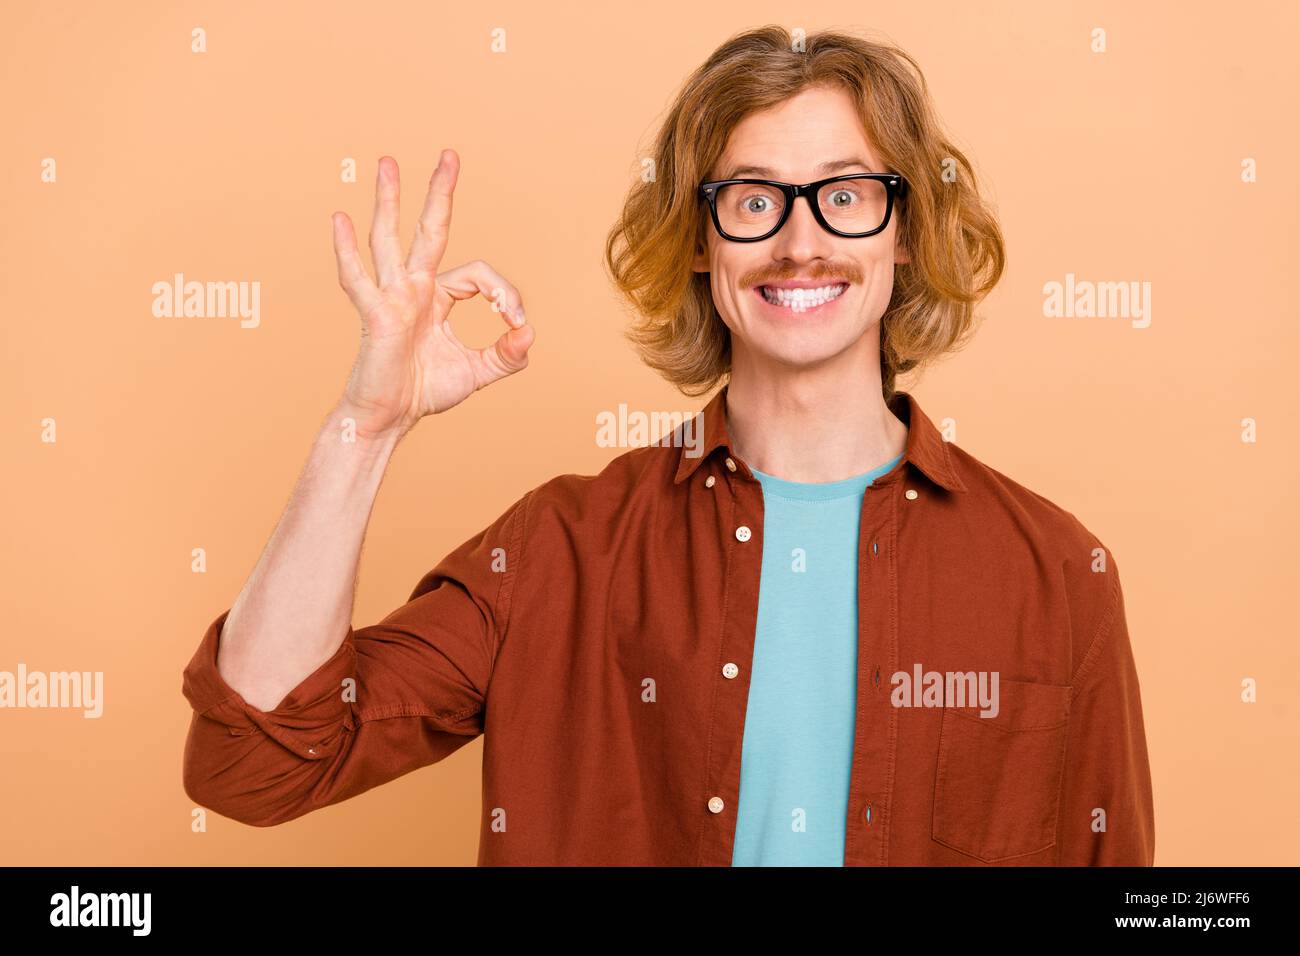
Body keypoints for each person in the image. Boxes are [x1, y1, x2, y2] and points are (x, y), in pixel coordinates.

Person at [181, 25, 1154, 866]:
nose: (800, 240)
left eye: (846, 194)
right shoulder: (559, 549)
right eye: (752, 198)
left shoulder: (1061, 574)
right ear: (700, 238)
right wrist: (366, 425)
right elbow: (257, 762)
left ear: (902, 231)